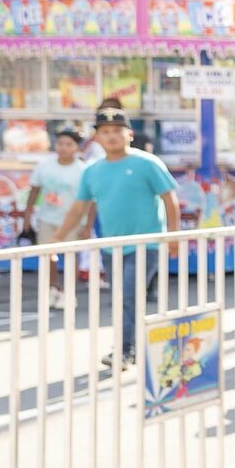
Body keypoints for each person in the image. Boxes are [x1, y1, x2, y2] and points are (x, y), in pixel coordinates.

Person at [52, 108, 179, 368]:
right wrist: (58, 237)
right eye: (105, 132)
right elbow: (79, 207)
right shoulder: (92, 170)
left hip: (145, 245)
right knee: (123, 297)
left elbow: (169, 197)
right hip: (111, 247)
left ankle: (124, 350)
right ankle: (133, 346)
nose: (111, 136)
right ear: (97, 137)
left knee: (128, 296)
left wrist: (174, 236)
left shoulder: (147, 163)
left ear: (129, 134)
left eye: (117, 131)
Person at [26, 127, 90, 309]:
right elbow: (34, 190)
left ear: (77, 147)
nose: (63, 147)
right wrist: (27, 215)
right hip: (47, 219)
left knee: (70, 256)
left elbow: (90, 201)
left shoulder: (83, 170)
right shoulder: (45, 165)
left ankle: (69, 293)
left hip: (73, 221)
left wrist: (88, 225)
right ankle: (52, 288)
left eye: (69, 144)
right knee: (48, 255)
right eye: (60, 143)